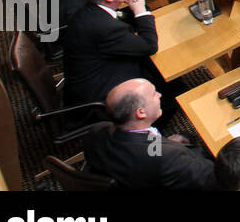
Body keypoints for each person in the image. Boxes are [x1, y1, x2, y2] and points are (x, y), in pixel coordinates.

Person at [83, 78, 226, 190]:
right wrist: (169, 148)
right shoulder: (169, 159)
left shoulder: (96, 130)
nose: (159, 95)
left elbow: (143, 149)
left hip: (133, 177)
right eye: (153, 94)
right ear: (141, 112)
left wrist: (162, 142)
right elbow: (214, 179)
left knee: (186, 136)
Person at [61, 0, 160, 106]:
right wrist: (140, 10)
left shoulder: (92, 9)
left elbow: (128, 24)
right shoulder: (106, 27)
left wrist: (137, 7)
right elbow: (149, 46)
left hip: (90, 72)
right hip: (97, 93)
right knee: (168, 92)